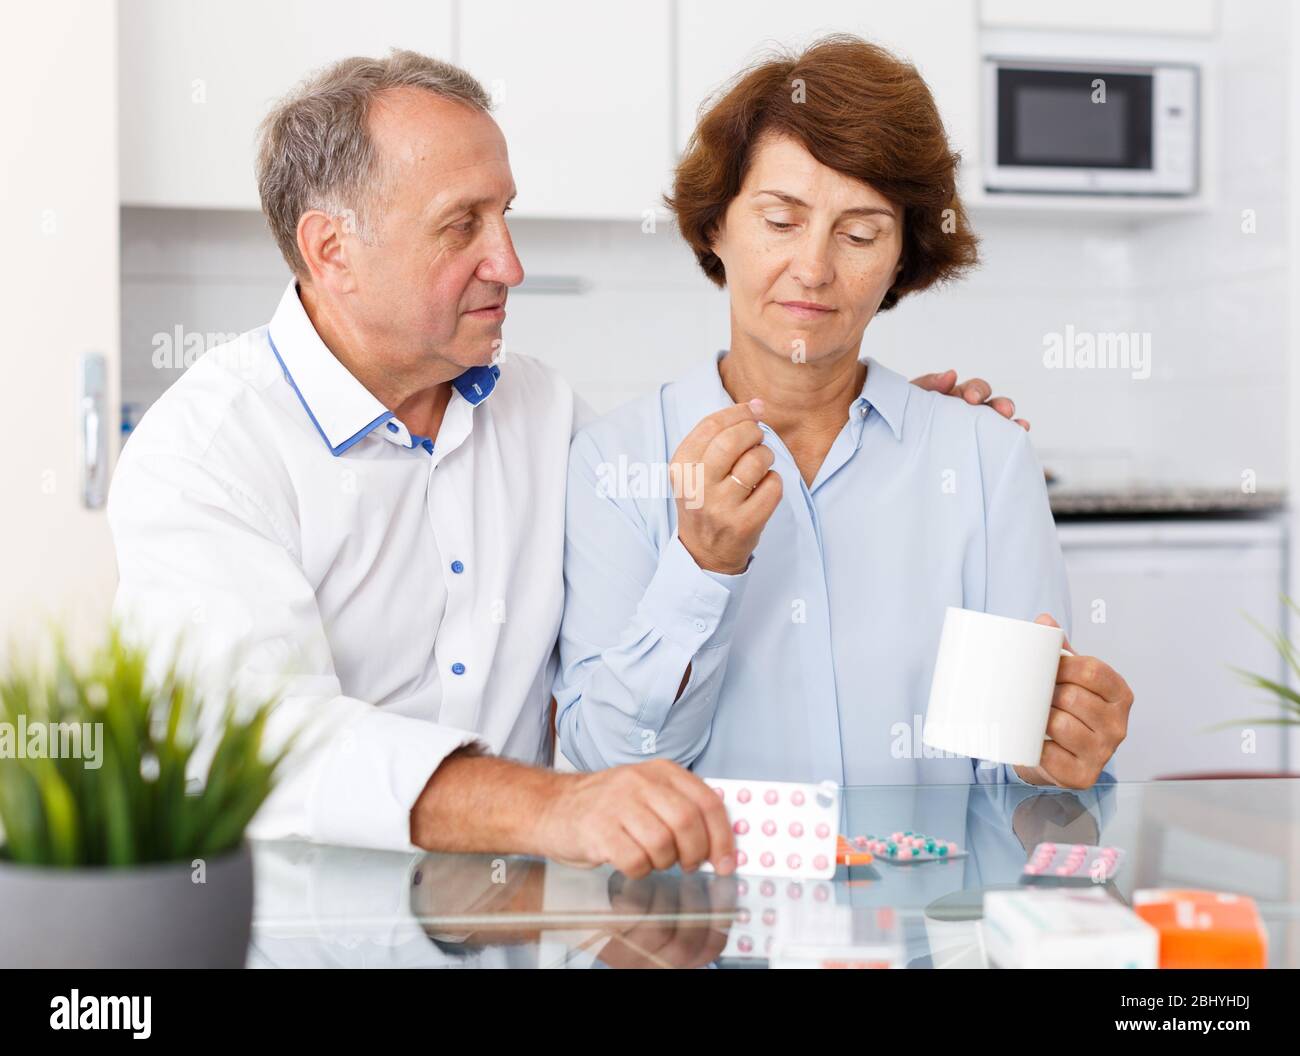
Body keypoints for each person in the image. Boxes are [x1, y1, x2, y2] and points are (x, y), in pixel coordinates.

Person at [109, 48, 1032, 879]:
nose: (508, 262)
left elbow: (615, 663)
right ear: (331, 250)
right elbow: (254, 740)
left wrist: (920, 433)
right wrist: (555, 805)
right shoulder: (205, 453)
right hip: (314, 934)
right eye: (461, 225)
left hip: (518, 931)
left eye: (504, 215)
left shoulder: (545, 416)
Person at [556, 36, 1133, 790]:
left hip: (929, 905)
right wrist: (701, 565)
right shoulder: (613, 462)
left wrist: (1059, 757)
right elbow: (609, 767)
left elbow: (1013, 778)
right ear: (716, 227)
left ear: (903, 257)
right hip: (704, 911)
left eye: (860, 234)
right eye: (780, 220)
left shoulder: (985, 460)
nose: (816, 267)